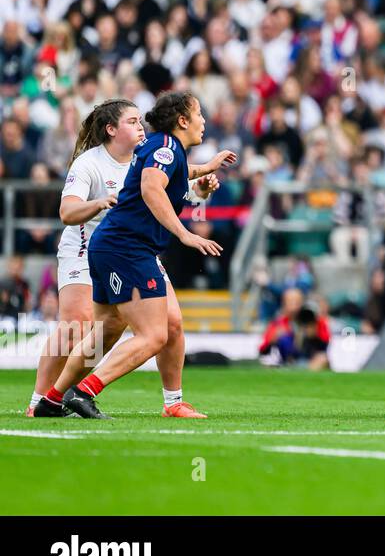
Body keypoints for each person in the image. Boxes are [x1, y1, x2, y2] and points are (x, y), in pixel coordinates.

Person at [33, 92, 236, 420]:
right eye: (198, 114)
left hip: (113, 246)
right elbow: (151, 188)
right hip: (124, 249)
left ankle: (52, 400)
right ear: (182, 121)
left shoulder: (162, 149)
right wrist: (184, 234)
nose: (203, 121)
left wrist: (204, 174)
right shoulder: (165, 148)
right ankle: (83, 392)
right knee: (152, 334)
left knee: (112, 328)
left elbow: (167, 182)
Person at [28, 100, 144, 416]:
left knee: (109, 329)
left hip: (119, 254)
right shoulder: (88, 164)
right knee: (77, 325)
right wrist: (99, 202)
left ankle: (62, 394)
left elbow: (177, 187)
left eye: (140, 121)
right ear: (111, 129)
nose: (140, 126)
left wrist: (200, 189)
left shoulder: (143, 161)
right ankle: (39, 400)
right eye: (133, 121)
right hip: (82, 250)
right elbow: (66, 212)